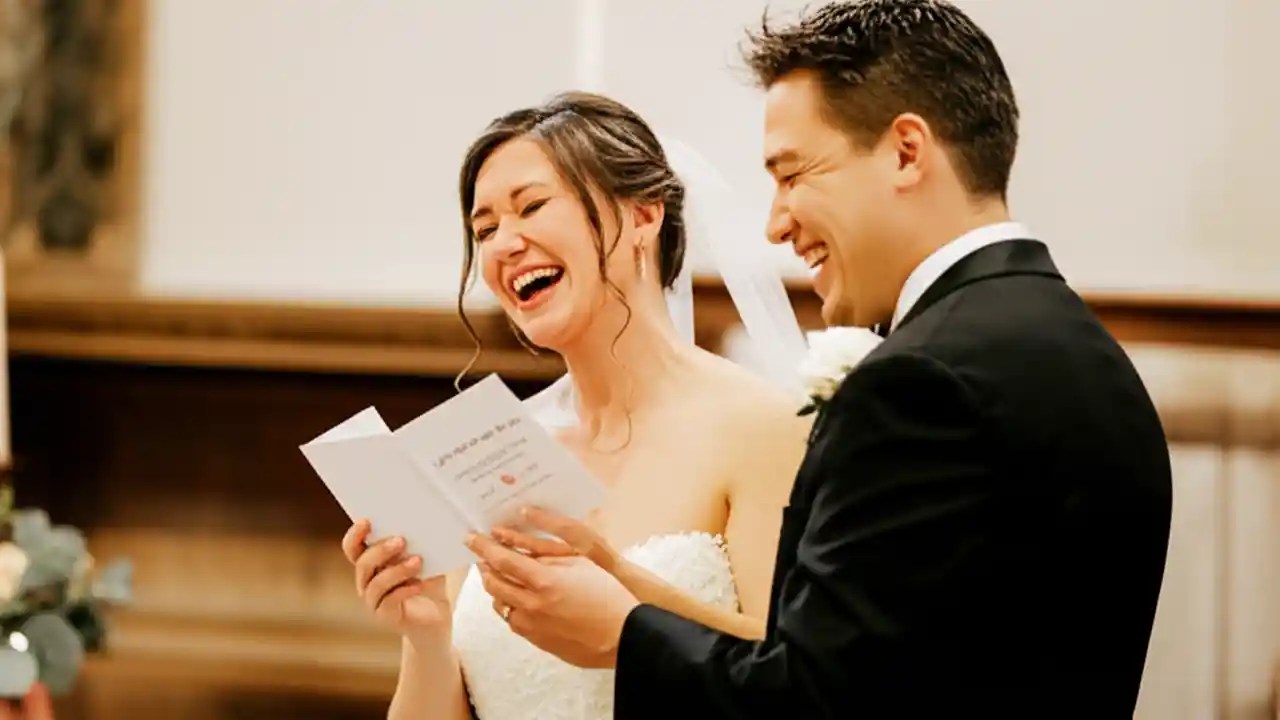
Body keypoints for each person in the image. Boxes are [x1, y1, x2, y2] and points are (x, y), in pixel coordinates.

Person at [465, 1, 1174, 717]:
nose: (775, 223)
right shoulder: (1086, 353)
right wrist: (619, 577)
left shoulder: (916, 383)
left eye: (794, 174)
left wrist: (622, 630)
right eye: (483, 226)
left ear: (905, 151)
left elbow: (816, 697)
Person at [340, 91, 814, 719]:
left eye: (531, 206)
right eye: (484, 229)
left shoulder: (761, 427)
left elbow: (798, 684)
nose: (504, 244)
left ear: (645, 215)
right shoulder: (488, 449)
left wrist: (628, 610)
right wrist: (424, 634)